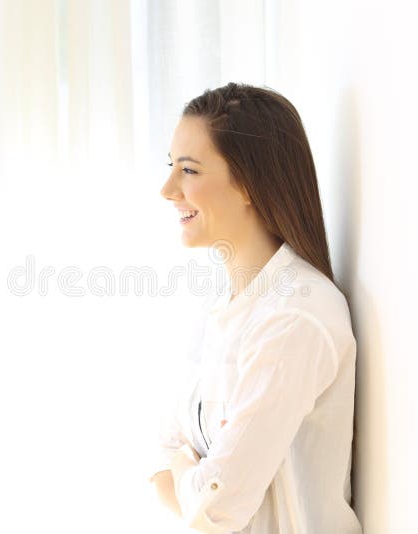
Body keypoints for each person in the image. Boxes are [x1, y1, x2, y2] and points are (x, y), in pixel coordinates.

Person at [149, 82, 363, 534]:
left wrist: (188, 466)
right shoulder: (224, 310)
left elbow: (217, 510)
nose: (168, 189)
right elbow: (159, 455)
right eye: (172, 167)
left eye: (188, 171)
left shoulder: (294, 318)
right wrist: (195, 474)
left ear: (248, 182)